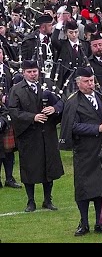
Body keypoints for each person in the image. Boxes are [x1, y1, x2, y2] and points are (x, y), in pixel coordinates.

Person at [60, 67, 102, 236]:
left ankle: (100, 222)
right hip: (84, 151)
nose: (90, 84)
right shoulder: (73, 102)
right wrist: (97, 128)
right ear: (78, 83)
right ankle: (83, 222)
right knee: (83, 188)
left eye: (92, 80)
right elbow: (72, 126)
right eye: (86, 81)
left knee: (101, 187)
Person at [6, 59, 63, 213]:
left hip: (48, 134)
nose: (33, 74)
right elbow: (13, 111)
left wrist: (55, 109)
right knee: (29, 168)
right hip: (29, 135)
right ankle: (30, 201)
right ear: (23, 73)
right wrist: (33, 117)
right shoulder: (16, 90)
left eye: (35, 71)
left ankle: (47, 200)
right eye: (29, 72)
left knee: (48, 167)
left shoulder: (47, 86)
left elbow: (62, 102)